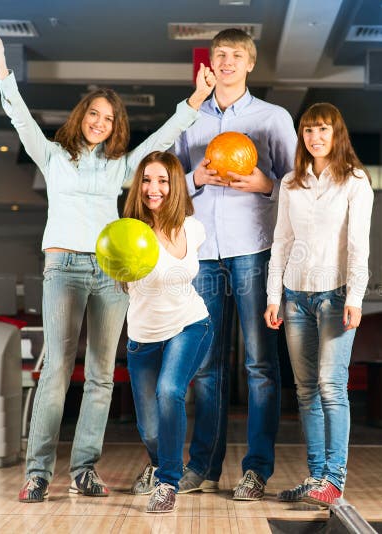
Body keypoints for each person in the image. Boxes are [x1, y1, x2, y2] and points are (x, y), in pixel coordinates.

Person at [0, 28, 216, 503]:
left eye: (109, 118)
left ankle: (84, 468)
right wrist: (2, 67)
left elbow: (162, 143)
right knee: (56, 371)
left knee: (102, 375)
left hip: (111, 274)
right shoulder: (53, 157)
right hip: (63, 268)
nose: (100, 122)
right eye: (94, 114)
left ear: (115, 126)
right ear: (81, 117)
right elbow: (20, 118)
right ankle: (38, 473)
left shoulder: (119, 168)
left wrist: (195, 99)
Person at [164, 28, 298, 501]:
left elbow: (298, 187)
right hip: (201, 253)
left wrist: (265, 185)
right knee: (205, 367)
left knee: (261, 364)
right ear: (209, 64)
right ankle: (203, 466)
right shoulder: (188, 118)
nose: (226, 61)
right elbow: (166, 185)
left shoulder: (273, 118)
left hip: (254, 251)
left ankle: (256, 469)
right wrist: (194, 177)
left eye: (236, 55)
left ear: (249, 64)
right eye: (220, 54)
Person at [264, 103, 374, 507]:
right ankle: (316, 479)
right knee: (306, 390)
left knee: (331, 386)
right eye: (308, 131)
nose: (315, 137)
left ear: (336, 133)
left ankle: (335, 478)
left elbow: (359, 246)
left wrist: (356, 298)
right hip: (294, 298)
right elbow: (281, 243)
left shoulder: (355, 181)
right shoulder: (291, 182)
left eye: (322, 129)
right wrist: (274, 296)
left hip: (336, 296)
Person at [122, 151, 212, 513]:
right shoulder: (128, 231)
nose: (152, 188)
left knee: (170, 390)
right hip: (143, 336)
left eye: (161, 180)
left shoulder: (193, 227)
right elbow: (121, 281)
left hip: (189, 324)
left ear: (175, 185)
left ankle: (168, 483)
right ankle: (162, 464)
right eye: (146, 180)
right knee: (150, 429)